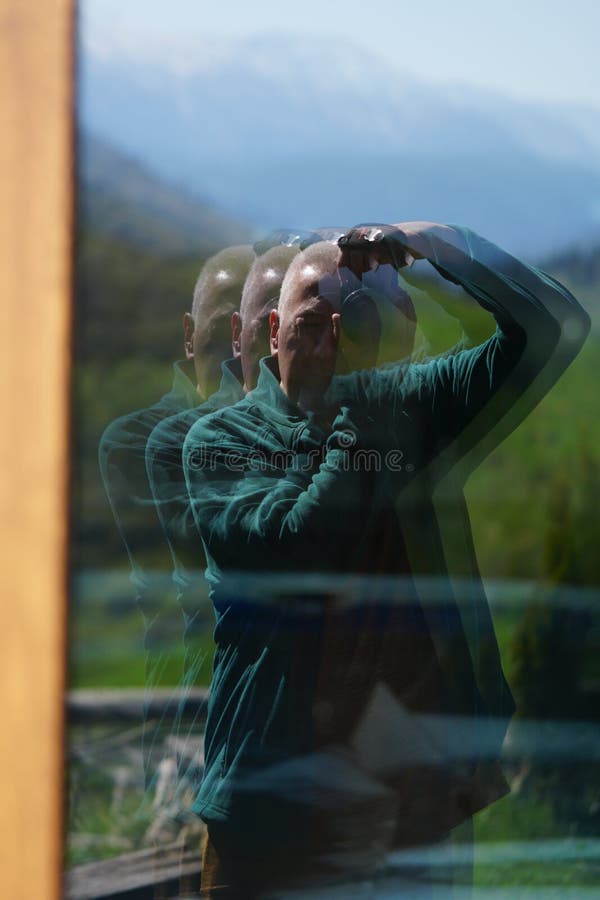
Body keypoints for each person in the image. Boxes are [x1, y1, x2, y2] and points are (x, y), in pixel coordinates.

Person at [183, 222, 589, 896]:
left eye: (358, 324)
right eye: (313, 324)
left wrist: (443, 247)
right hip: (270, 817)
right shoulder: (223, 441)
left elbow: (553, 330)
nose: (335, 346)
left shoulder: (411, 405)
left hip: (412, 811)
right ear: (274, 329)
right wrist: (360, 422)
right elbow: (297, 549)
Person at [98, 244, 255, 787]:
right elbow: (202, 566)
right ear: (189, 334)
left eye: (251, 333)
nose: (237, 351)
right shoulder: (137, 442)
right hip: (187, 727)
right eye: (222, 335)